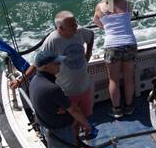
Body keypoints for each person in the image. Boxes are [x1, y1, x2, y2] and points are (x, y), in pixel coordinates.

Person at [12, 10, 95, 141]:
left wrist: (88, 53)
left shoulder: (80, 32)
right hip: (67, 92)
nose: (76, 26)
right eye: (72, 25)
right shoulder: (52, 41)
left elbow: (91, 36)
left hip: (85, 87)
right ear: (60, 28)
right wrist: (22, 79)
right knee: (73, 121)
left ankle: (82, 139)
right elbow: (38, 62)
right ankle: (76, 146)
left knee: (84, 116)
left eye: (75, 23)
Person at [27, 52, 92, 148]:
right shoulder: (52, 88)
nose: (60, 65)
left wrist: (65, 108)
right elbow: (74, 110)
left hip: (47, 128)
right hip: (60, 133)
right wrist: (86, 124)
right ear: (45, 67)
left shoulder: (34, 81)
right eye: (56, 63)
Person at [93, 0, 137, 117]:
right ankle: (129, 107)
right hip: (129, 43)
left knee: (114, 80)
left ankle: (117, 110)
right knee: (129, 78)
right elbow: (129, 18)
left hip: (112, 46)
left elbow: (98, 23)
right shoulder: (126, 4)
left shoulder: (100, 7)